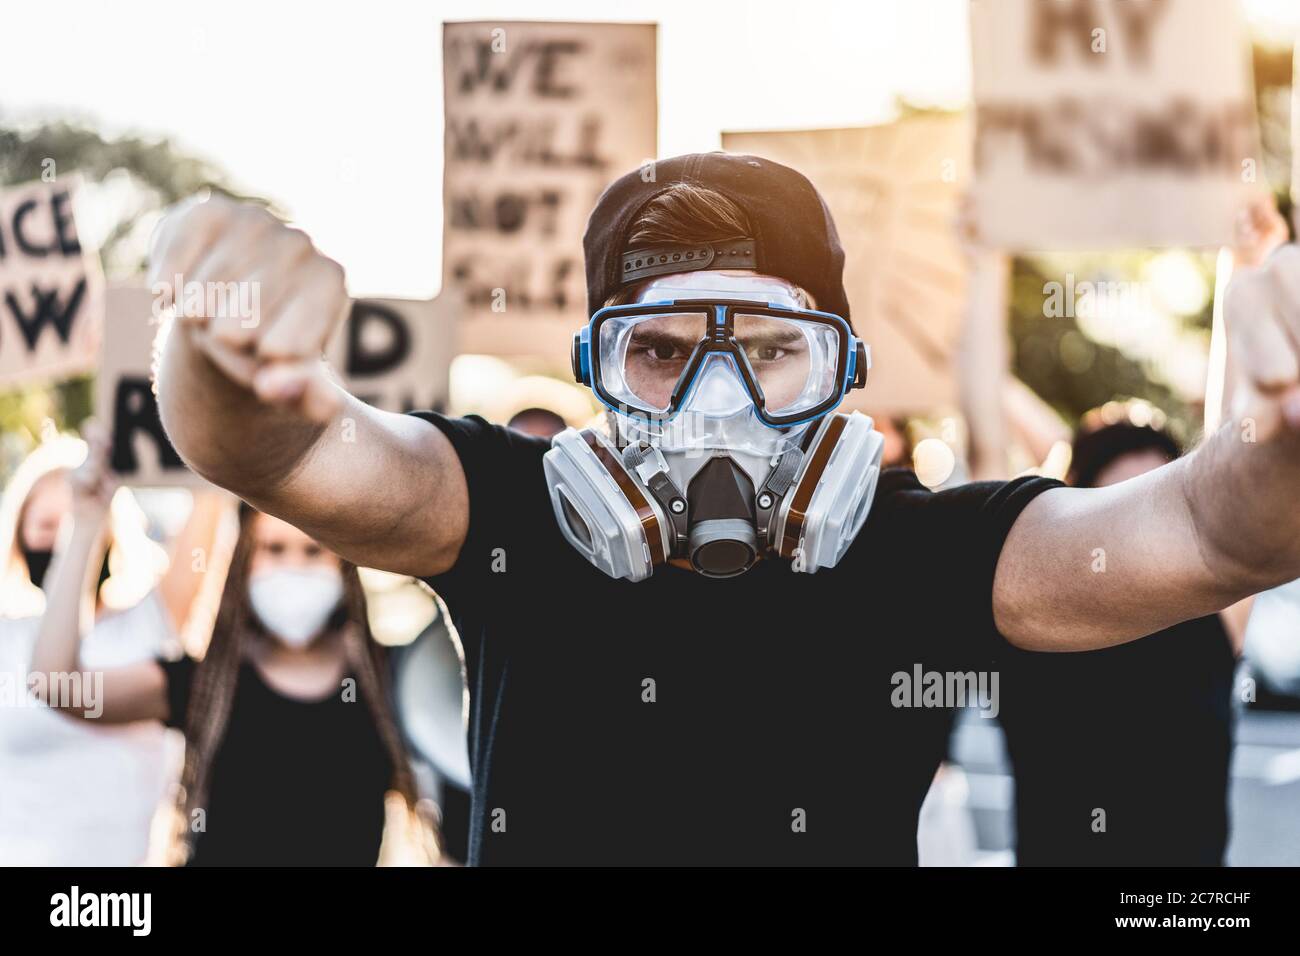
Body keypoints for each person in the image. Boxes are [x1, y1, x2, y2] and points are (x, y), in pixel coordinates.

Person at [147, 153, 1300, 865]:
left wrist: (1276, 436)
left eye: (767, 350)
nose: (714, 398)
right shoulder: (511, 513)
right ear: (593, 365)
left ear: (841, 367)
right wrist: (218, 356)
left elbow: (1206, 532)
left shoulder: (921, 545)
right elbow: (286, 451)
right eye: (655, 349)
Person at [30, 437, 430, 866]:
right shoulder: (203, 682)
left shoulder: (394, 679)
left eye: (313, 551)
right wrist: (86, 524)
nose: (293, 567)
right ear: (244, 562)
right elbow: (58, 687)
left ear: (344, 568)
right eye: (273, 549)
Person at [998, 408, 1238, 865]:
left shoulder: (1216, 616)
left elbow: (1233, 464)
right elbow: (990, 455)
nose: (1142, 540)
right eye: (1120, 511)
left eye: (1160, 511)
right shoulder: (1023, 616)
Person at [0, 432, 220, 865]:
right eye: (47, 526)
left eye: (76, 523)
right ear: (20, 537)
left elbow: (209, 506)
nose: (64, 545)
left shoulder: (151, 619)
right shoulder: (7, 636)